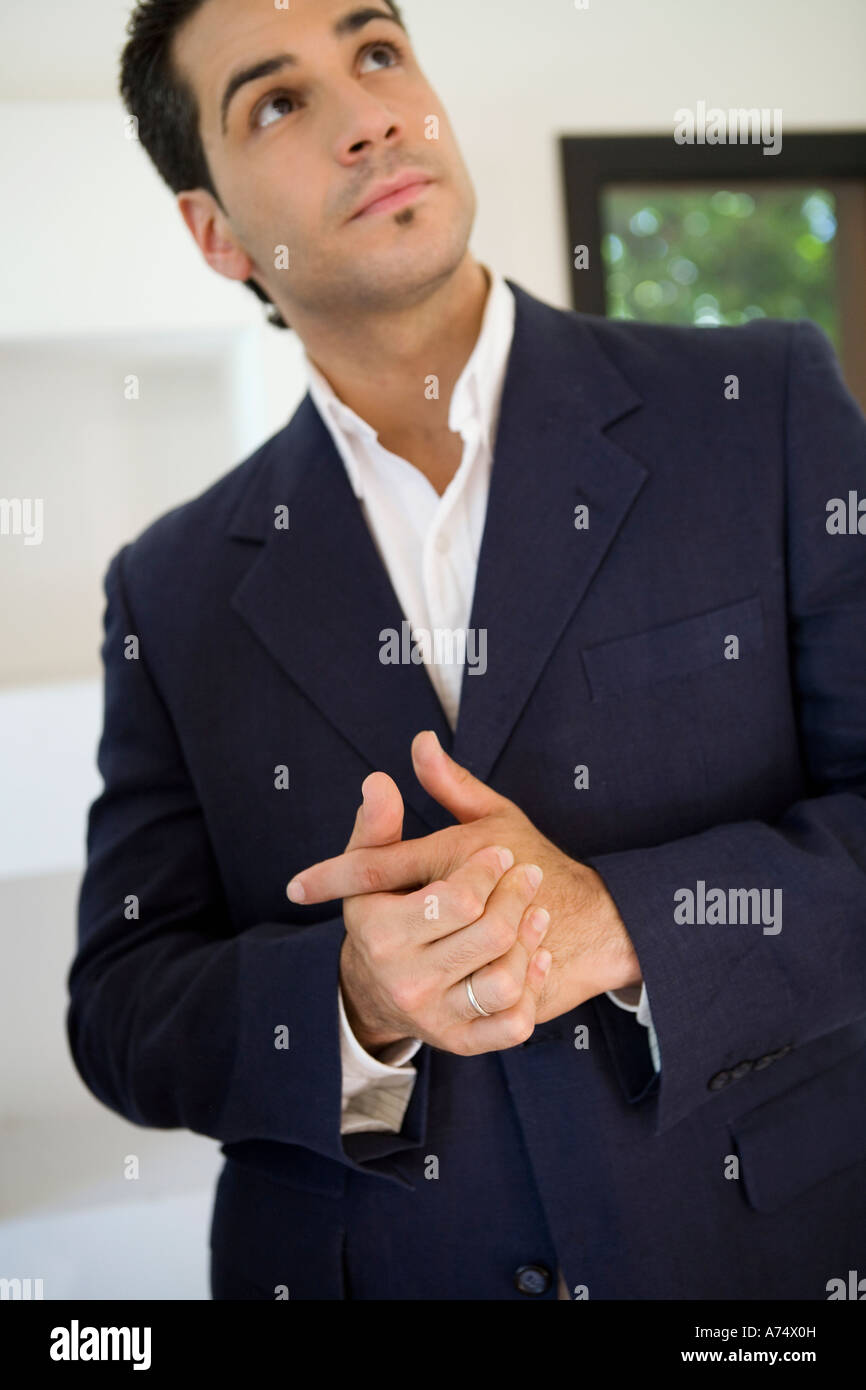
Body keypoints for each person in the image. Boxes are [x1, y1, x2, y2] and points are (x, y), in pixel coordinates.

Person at [68, 0, 866, 1300]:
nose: (368, 112)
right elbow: (119, 1011)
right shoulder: (167, 588)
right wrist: (348, 997)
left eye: (375, 51)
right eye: (276, 100)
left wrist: (622, 924)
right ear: (215, 232)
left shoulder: (761, 411)